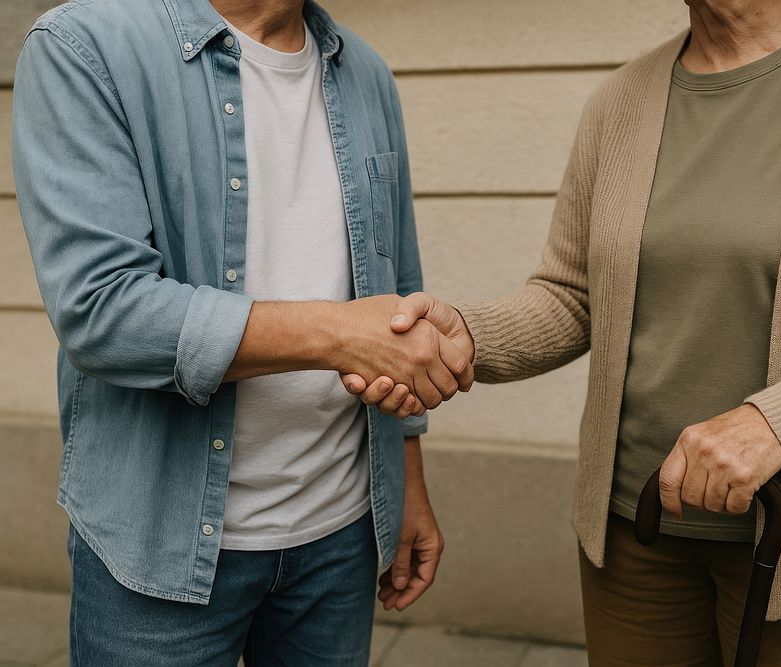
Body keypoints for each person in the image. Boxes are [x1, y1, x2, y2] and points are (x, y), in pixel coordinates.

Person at [345, 0, 781, 664]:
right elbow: (572, 296)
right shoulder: (621, 100)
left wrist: (775, 424)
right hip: (638, 539)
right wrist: (469, 337)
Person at [12, 0, 472, 664]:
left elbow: (395, 283)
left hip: (340, 537)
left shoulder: (366, 72)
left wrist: (406, 486)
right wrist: (338, 333)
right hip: (161, 546)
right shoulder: (83, 46)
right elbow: (102, 309)